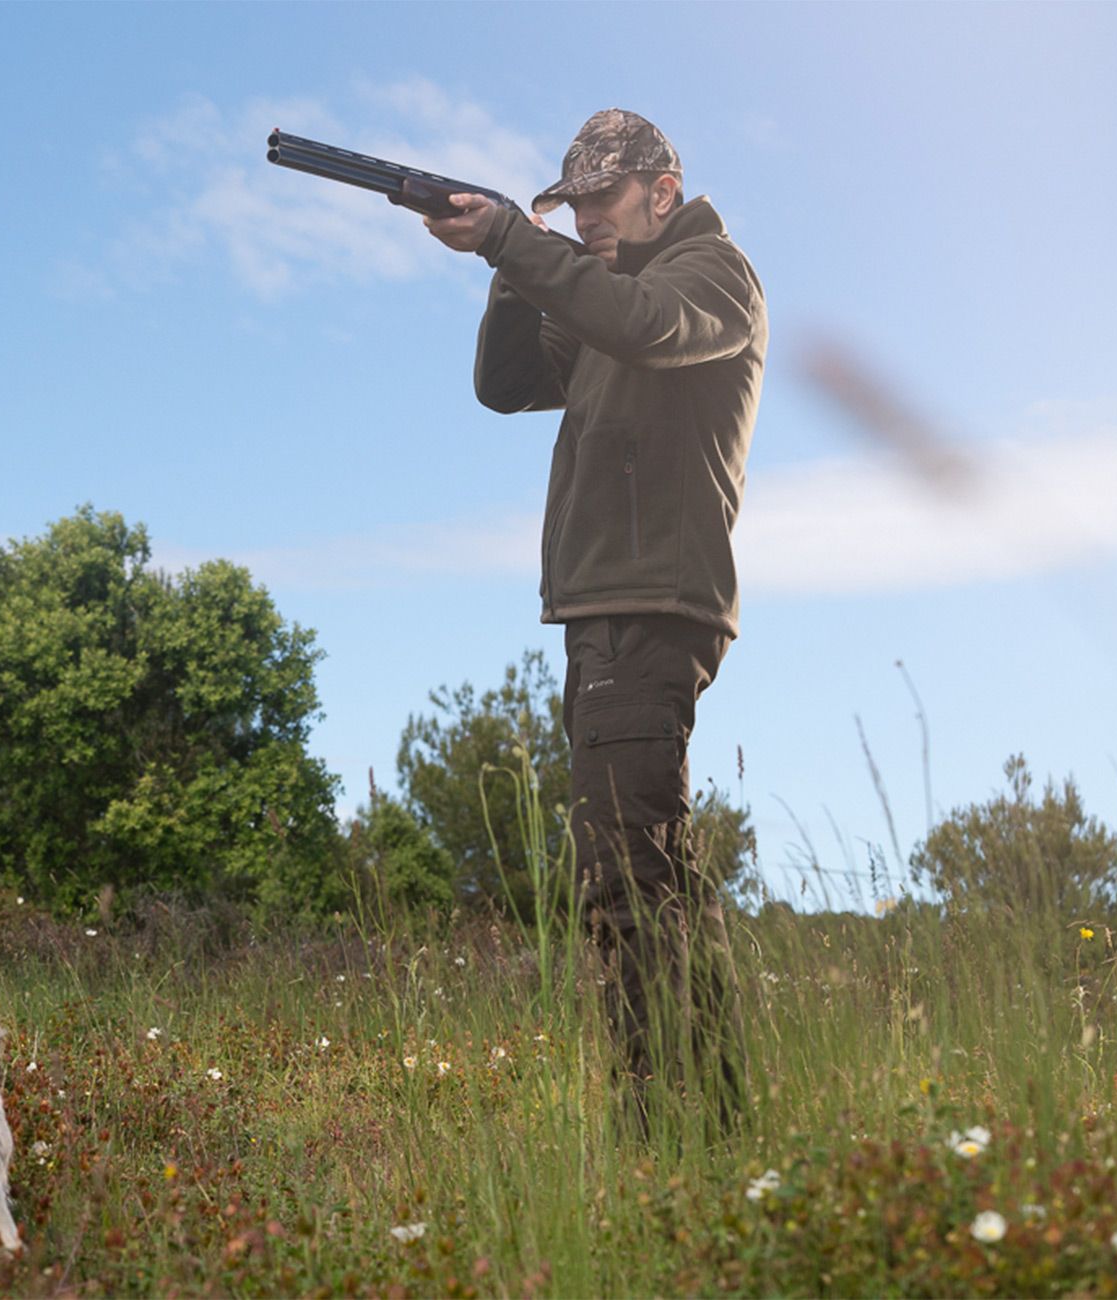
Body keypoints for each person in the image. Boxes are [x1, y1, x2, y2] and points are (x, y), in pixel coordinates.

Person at [424, 109, 767, 1134]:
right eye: (572, 208)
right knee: (653, 875)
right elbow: (504, 385)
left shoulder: (713, 276)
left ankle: (664, 1129)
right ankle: (713, 1126)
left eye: (604, 201)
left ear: (665, 190)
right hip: (606, 609)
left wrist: (508, 235)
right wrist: (509, 258)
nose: (589, 222)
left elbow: (644, 324)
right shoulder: (599, 289)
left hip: (649, 606)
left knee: (624, 890)